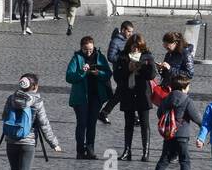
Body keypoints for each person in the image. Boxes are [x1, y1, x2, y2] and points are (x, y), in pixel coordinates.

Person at [1, 73, 62, 170]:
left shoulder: (11, 98)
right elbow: (44, 123)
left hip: (10, 139)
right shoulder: (37, 100)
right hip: (27, 141)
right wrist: (54, 143)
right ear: (35, 86)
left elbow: (4, 116)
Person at [149, 75, 201, 170]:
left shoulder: (167, 98)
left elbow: (159, 113)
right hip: (182, 135)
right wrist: (204, 129)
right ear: (184, 88)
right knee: (184, 161)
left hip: (169, 134)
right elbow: (197, 118)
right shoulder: (187, 100)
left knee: (164, 159)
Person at [66, 36, 111, 159]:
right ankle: (80, 150)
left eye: (91, 49)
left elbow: (108, 73)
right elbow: (69, 77)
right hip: (81, 97)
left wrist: (99, 73)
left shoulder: (99, 56)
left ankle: (90, 149)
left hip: (96, 96)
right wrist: (82, 72)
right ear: (81, 48)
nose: (89, 52)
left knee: (92, 123)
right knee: (82, 123)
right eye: (86, 50)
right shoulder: (77, 58)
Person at [113, 33, 155, 162]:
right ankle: (127, 150)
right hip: (128, 92)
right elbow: (117, 76)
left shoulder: (147, 57)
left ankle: (145, 151)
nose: (135, 49)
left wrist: (140, 68)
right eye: (133, 46)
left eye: (138, 47)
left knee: (144, 123)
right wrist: (128, 69)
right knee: (128, 123)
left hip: (143, 93)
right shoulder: (123, 57)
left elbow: (152, 75)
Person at [97, 21, 136, 123]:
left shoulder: (129, 40)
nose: (130, 34)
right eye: (129, 31)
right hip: (120, 72)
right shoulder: (115, 42)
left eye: (132, 32)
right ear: (123, 30)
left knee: (123, 93)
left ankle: (104, 113)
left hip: (127, 71)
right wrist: (125, 57)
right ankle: (134, 117)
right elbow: (111, 57)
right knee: (123, 93)